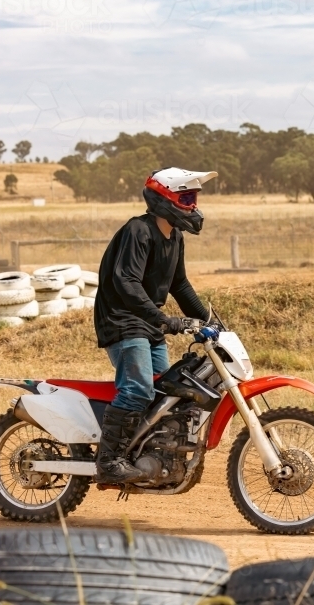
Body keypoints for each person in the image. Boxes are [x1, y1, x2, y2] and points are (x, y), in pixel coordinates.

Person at [92, 167, 217, 484]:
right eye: (186, 197)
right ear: (166, 198)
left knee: (164, 394)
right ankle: (109, 462)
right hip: (122, 320)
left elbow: (181, 285)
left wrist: (211, 321)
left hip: (148, 324)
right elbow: (126, 282)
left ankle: (146, 456)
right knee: (138, 389)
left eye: (194, 198)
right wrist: (165, 319)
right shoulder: (139, 231)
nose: (192, 205)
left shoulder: (174, 236)